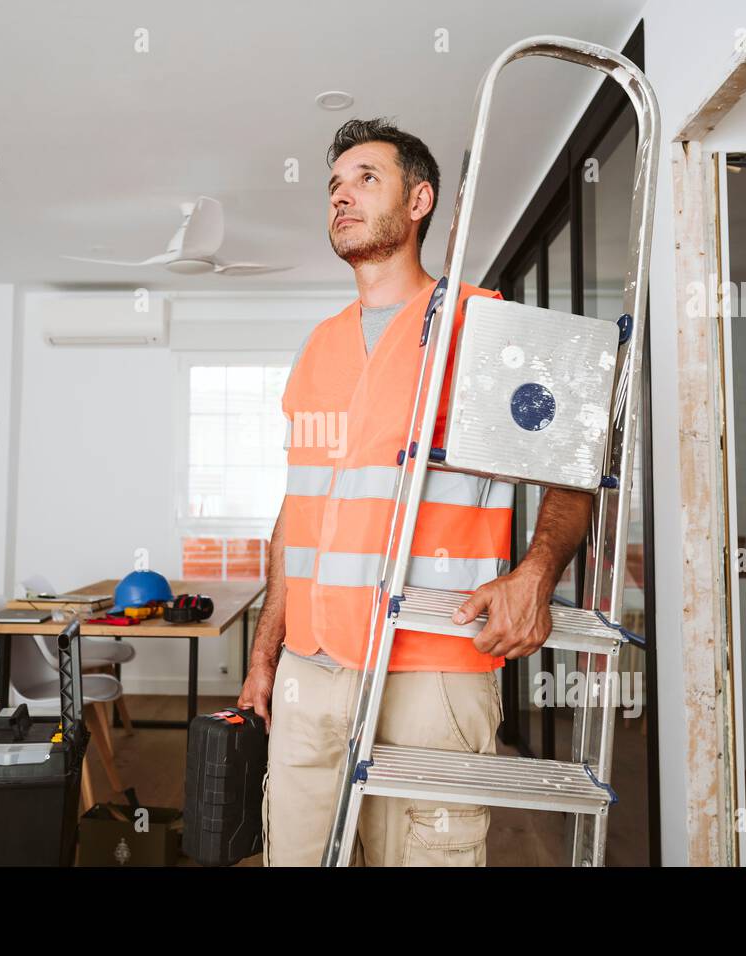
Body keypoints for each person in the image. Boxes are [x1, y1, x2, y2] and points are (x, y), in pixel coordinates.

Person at [238, 117, 593, 866]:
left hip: (431, 659)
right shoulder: (319, 347)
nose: (342, 196)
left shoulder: (480, 326)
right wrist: (266, 649)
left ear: (421, 200)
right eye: (335, 185)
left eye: (367, 178)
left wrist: (536, 574)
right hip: (313, 660)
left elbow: (574, 466)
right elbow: (299, 511)